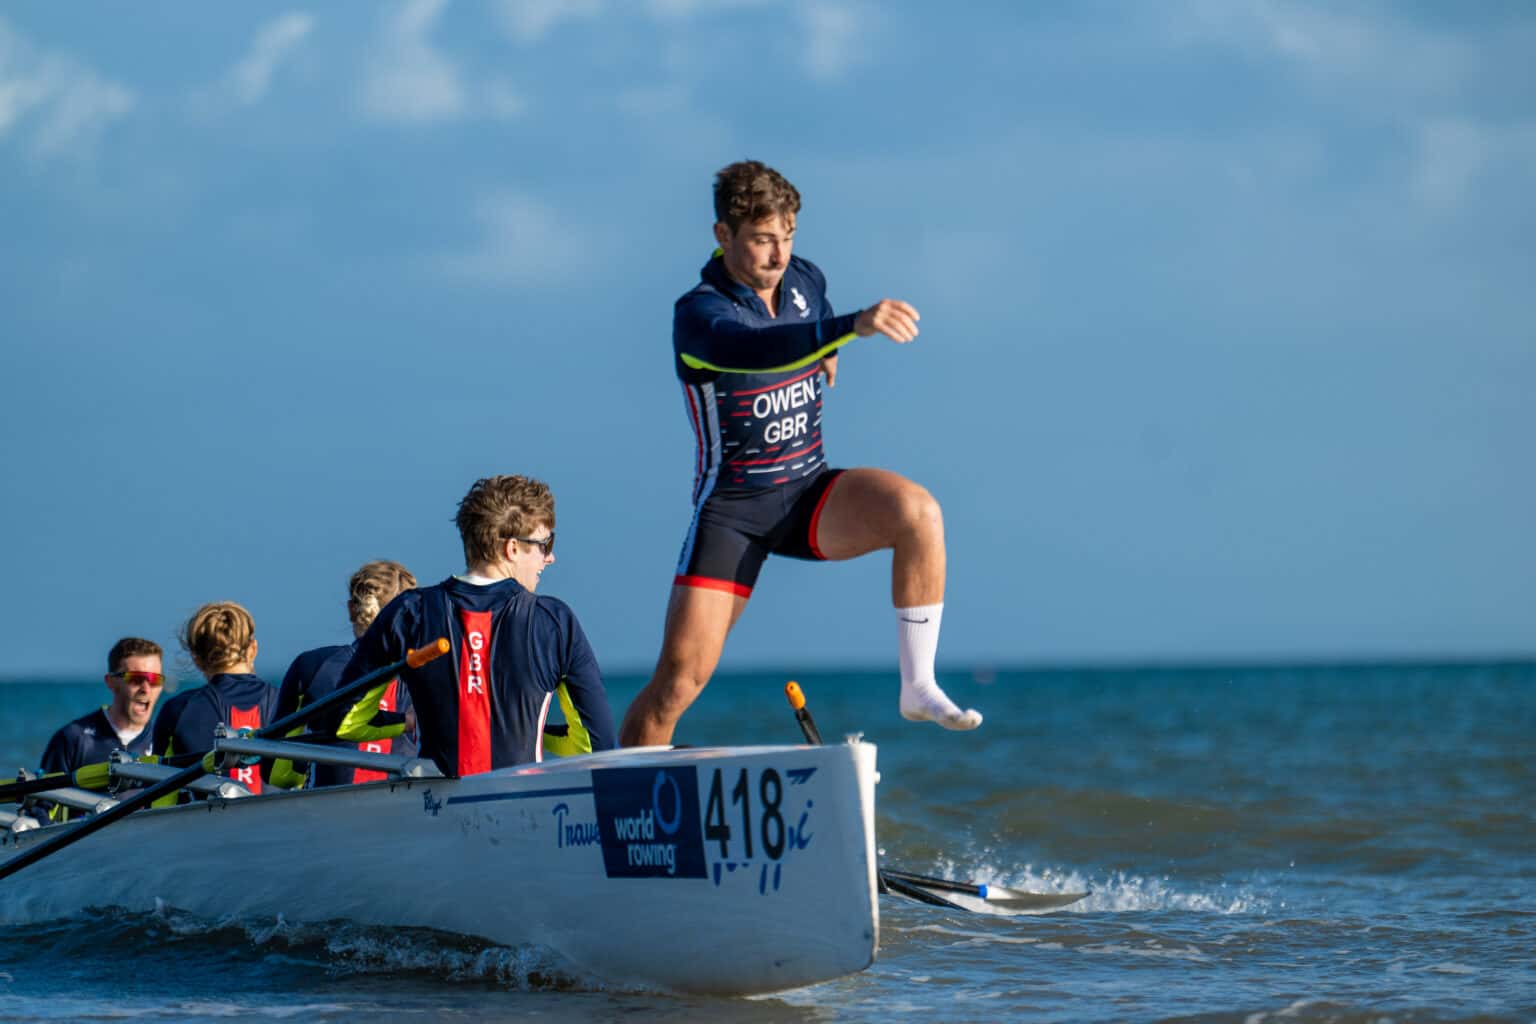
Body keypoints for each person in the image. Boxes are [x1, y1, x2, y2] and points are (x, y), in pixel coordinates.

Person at [619, 160, 983, 747]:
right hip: (734, 515)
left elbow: (807, 315)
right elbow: (756, 349)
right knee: (677, 686)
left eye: (787, 237)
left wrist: (827, 348)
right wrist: (844, 331)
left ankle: (918, 686)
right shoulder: (700, 314)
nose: (778, 254)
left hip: (809, 495)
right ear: (723, 235)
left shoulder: (805, 280)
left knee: (919, 513)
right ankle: (627, 802)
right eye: (763, 240)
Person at [338, 475, 615, 776]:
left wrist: (407, 722)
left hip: (431, 815)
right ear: (512, 548)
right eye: (545, 544)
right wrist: (530, 727)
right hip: (523, 813)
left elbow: (344, 722)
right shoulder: (554, 621)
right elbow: (595, 743)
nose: (550, 558)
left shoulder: (408, 613)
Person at [275, 559, 418, 787]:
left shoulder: (311, 666)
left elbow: (278, 775)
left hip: (328, 814)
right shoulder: (431, 672)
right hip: (408, 811)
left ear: (353, 609)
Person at [152, 601, 285, 795]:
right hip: (284, 822)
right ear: (253, 649)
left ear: (196, 658)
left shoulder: (178, 710)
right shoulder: (286, 703)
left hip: (206, 824)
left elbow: (159, 798)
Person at [41, 637, 166, 776]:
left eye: (155, 680)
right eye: (135, 679)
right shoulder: (73, 739)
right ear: (111, 682)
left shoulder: (165, 743)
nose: (146, 689)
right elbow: (44, 796)